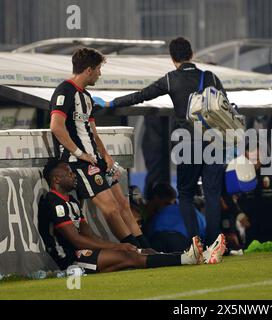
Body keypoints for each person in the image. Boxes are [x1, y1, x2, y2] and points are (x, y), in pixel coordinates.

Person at [92, 37, 226, 252]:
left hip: (188, 141)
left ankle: (196, 245)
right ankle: (214, 244)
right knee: (212, 194)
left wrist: (111, 103)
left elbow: (141, 96)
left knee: (185, 194)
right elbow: (225, 108)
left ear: (173, 58)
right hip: (213, 141)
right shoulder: (210, 77)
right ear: (191, 55)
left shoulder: (171, 80)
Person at [49, 47, 151, 249]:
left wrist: (106, 156)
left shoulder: (86, 97)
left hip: (96, 160)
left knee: (123, 205)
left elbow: (92, 133)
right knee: (111, 208)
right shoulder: (64, 91)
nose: (100, 74)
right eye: (98, 69)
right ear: (88, 70)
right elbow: (56, 127)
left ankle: (146, 248)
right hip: (77, 162)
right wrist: (80, 154)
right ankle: (133, 250)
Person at [38, 159, 210, 274]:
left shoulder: (72, 202)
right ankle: (186, 258)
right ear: (56, 179)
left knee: (142, 251)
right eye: (68, 173)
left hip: (83, 252)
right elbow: (76, 240)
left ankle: (192, 255)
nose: (74, 175)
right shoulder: (53, 202)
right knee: (130, 257)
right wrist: (116, 247)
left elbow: (88, 235)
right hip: (69, 259)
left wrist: (115, 246)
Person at [143, 183, 226, 264]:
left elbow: (149, 233)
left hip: (157, 240)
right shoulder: (189, 210)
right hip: (180, 242)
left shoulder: (157, 215)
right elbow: (203, 230)